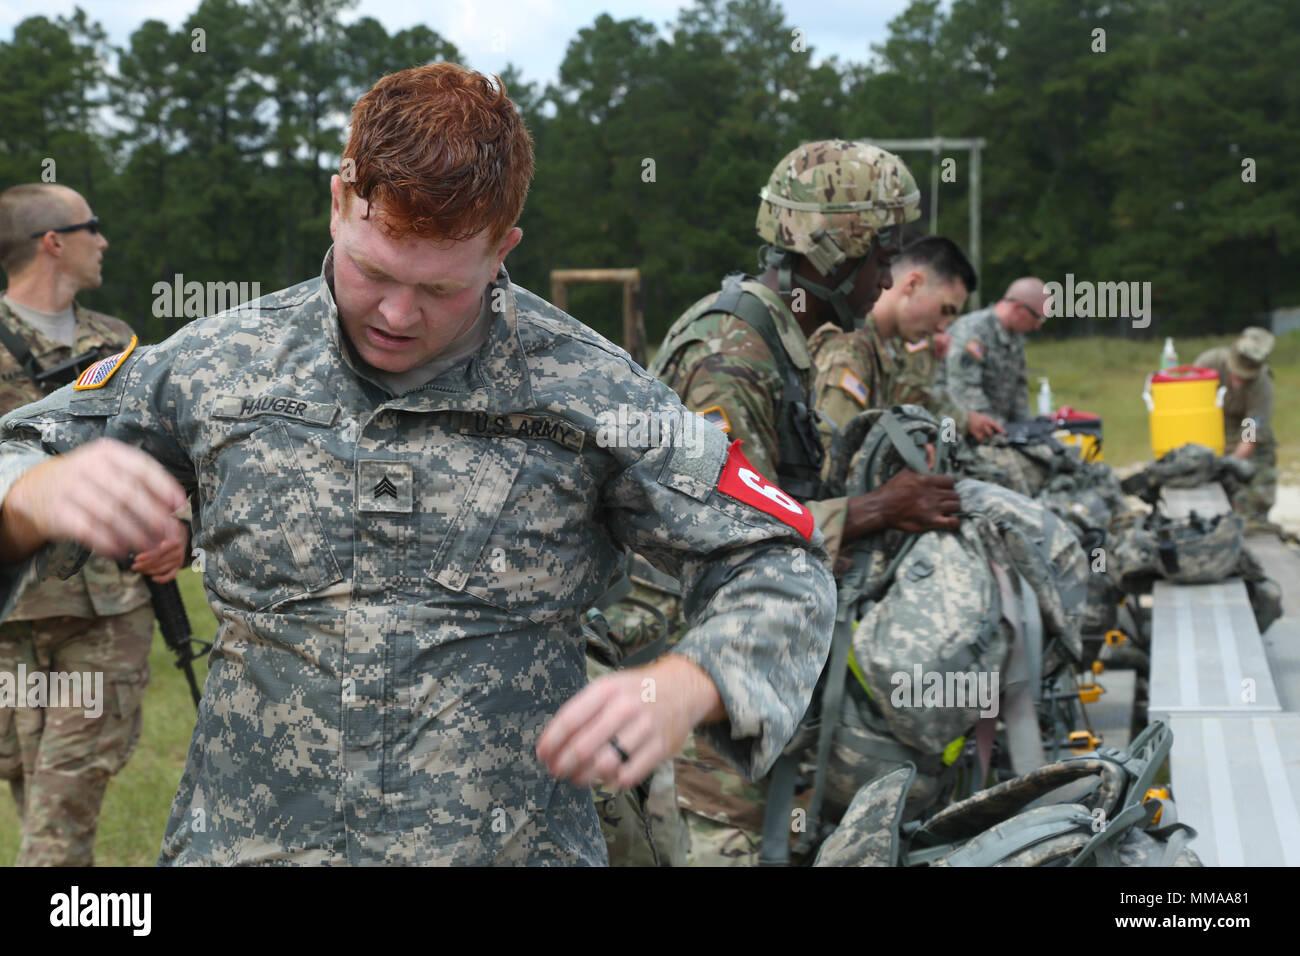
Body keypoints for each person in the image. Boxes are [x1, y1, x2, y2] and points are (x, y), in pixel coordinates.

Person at [0, 64, 835, 866]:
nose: (397, 315)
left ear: (503, 247)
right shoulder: (216, 365)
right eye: (373, 272)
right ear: (338, 202)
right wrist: (30, 493)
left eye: (440, 291)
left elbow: (779, 559)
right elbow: (22, 452)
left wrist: (687, 682)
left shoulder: (592, 392)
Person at [647, 140, 962, 864]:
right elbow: (726, 541)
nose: (888, 280)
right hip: (694, 679)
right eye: (882, 258)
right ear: (833, 250)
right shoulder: (732, 357)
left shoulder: (782, 345)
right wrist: (877, 509)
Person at [0, 184, 187, 866]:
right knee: (34, 791)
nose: (103, 241)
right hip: (13, 619)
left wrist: (179, 528)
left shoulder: (118, 345)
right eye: (92, 228)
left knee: (60, 812)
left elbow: (167, 453)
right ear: (53, 241)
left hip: (105, 612)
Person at [808, 235, 1003, 440]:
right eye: (945, 310)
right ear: (913, 284)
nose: (942, 329)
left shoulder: (888, 344)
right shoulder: (851, 347)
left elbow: (910, 406)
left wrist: (963, 422)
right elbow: (831, 454)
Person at [1194, 327, 1277, 526]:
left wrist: (1229, 464)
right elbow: (1188, 401)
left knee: (1254, 476)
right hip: (1206, 429)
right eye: (1236, 372)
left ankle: (1251, 520)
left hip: (1242, 437)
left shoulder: (1261, 385)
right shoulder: (1210, 363)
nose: (1239, 379)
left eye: (1245, 376)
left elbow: (1250, 433)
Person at [945, 277, 1049, 425]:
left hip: (1000, 429)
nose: (1037, 326)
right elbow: (965, 395)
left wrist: (1028, 429)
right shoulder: (973, 332)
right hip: (966, 430)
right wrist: (1003, 432)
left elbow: (1019, 393)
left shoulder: (1014, 338)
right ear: (1018, 308)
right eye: (1038, 317)